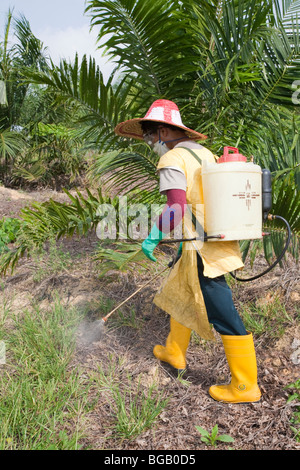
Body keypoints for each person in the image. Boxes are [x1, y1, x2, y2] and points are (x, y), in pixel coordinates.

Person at [115, 99, 261, 404]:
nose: (149, 142)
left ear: (166, 131)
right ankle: (174, 351)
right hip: (211, 237)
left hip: (200, 247)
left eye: (151, 134)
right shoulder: (203, 153)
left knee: (222, 313)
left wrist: (153, 236)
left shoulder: (172, 160)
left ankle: (245, 386)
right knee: (179, 291)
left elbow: (176, 207)